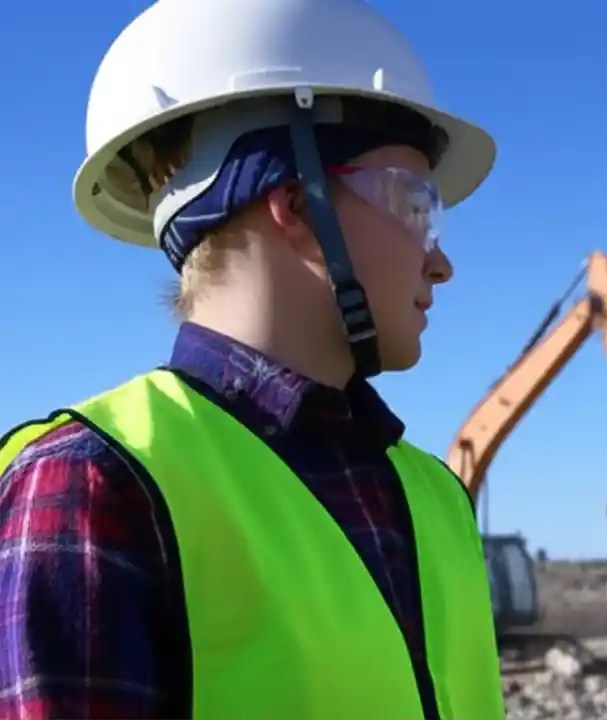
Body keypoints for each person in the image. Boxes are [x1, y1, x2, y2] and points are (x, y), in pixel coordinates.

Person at [0, 0, 506, 718]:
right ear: (297, 204)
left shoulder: (436, 498)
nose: (441, 262)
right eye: (416, 206)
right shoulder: (94, 486)